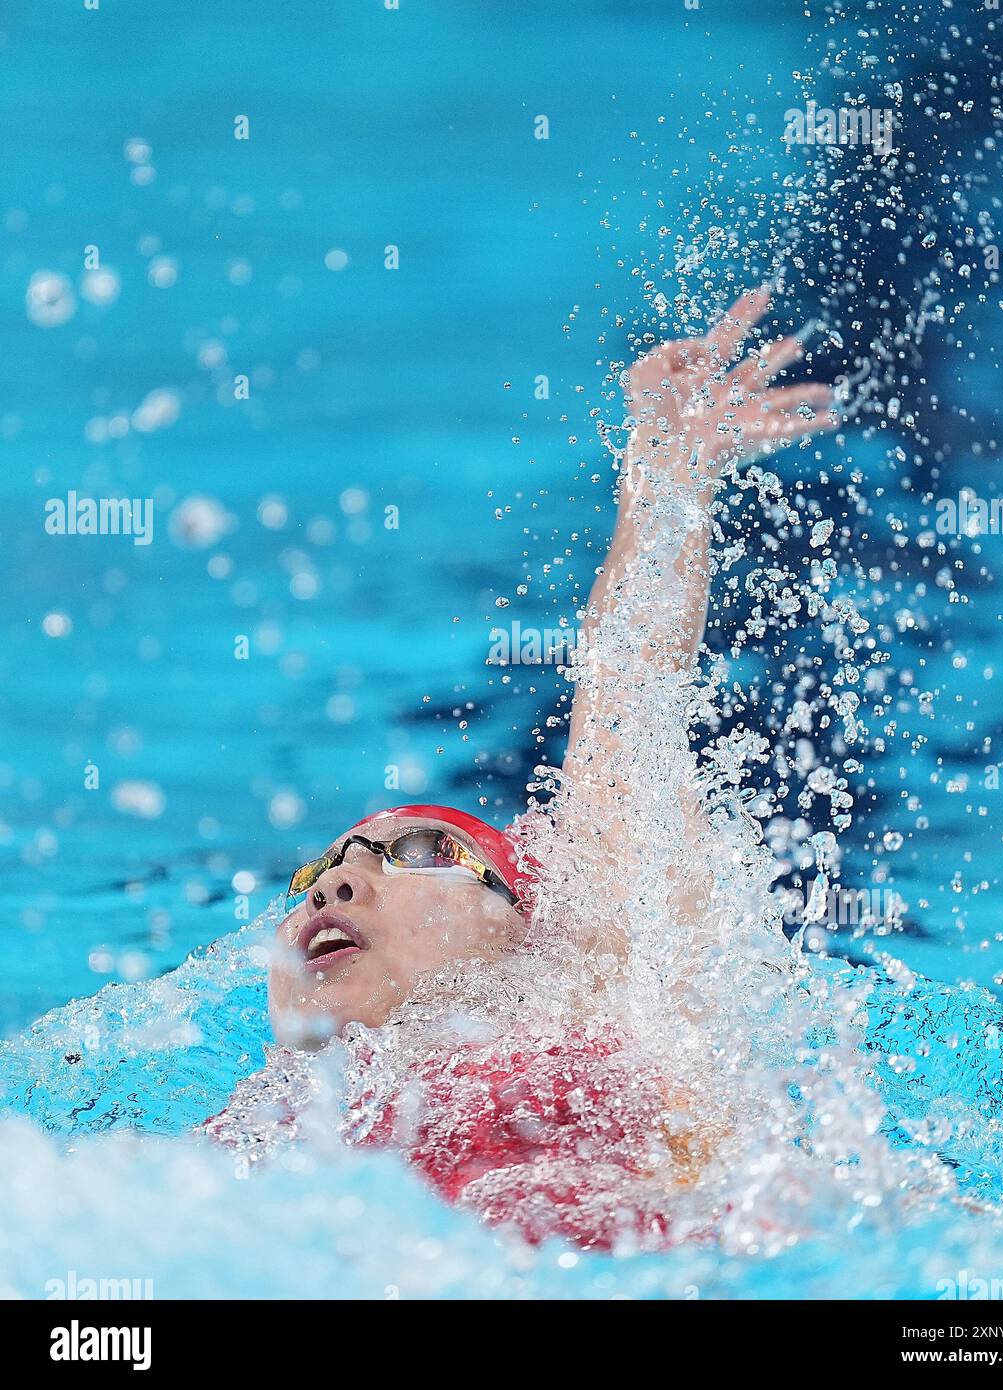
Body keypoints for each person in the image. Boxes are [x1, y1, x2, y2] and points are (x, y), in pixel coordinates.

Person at [205, 288, 837, 1249]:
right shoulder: (249, 1142)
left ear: (526, 920)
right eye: (322, 868)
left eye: (415, 849)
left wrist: (664, 481)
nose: (334, 878)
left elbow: (628, 693)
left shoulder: (597, 987)